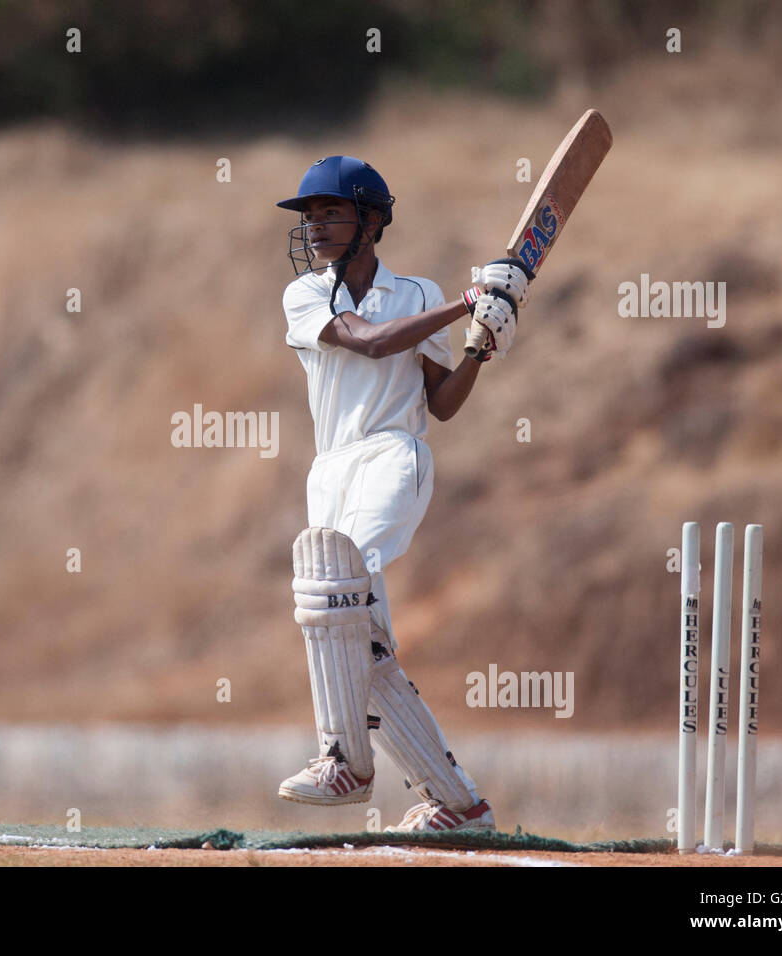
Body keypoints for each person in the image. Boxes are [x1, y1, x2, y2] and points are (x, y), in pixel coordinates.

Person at [275, 155, 526, 832]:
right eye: (311, 215)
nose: (317, 226)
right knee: (363, 639)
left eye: (332, 211)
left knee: (336, 588)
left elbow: (440, 404)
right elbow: (370, 342)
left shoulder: (416, 294)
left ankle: (345, 762)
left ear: (373, 220)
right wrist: (470, 303)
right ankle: (460, 804)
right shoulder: (306, 296)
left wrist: (478, 346)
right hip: (330, 470)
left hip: (393, 455)